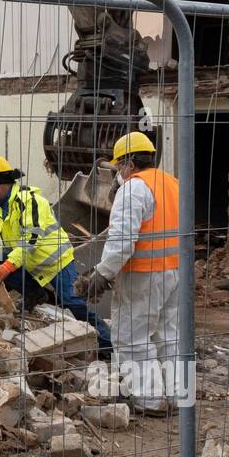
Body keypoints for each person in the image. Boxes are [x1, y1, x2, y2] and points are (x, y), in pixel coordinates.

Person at [0, 155, 112, 357]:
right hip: (30, 263)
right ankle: (35, 293)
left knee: (73, 303)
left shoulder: (31, 201)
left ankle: (109, 346)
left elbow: (31, 240)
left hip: (55, 263)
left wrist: (8, 267)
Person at [75, 132, 180, 415]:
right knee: (167, 334)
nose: (118, 173)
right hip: (173, 271)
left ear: (130, 163)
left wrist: (102, 274)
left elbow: (122, 241)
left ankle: (149, 400)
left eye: (119, 166)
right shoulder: (171, 183)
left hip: (142, 275)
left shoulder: (133, 189)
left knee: (132, 337)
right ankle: (177, 395)